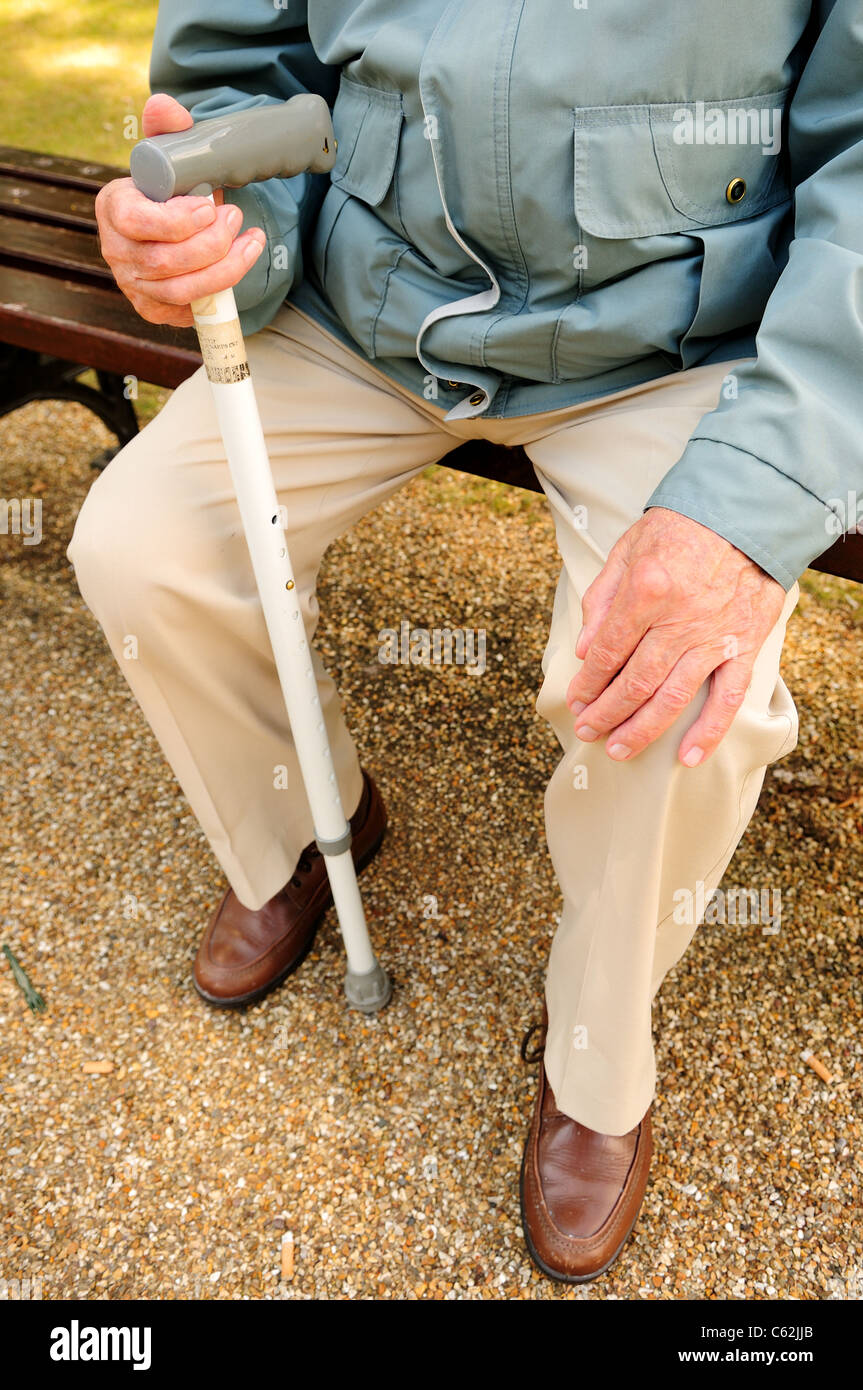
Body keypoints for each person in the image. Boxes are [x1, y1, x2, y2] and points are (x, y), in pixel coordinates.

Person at [68, 1, 862, 1284]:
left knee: (662, 695)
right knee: (141, 547)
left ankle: (596, 1056)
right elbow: (235, 74)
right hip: (365, 310)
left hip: (673, 341)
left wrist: (754, 494)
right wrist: (224, 226)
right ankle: (304, 827)